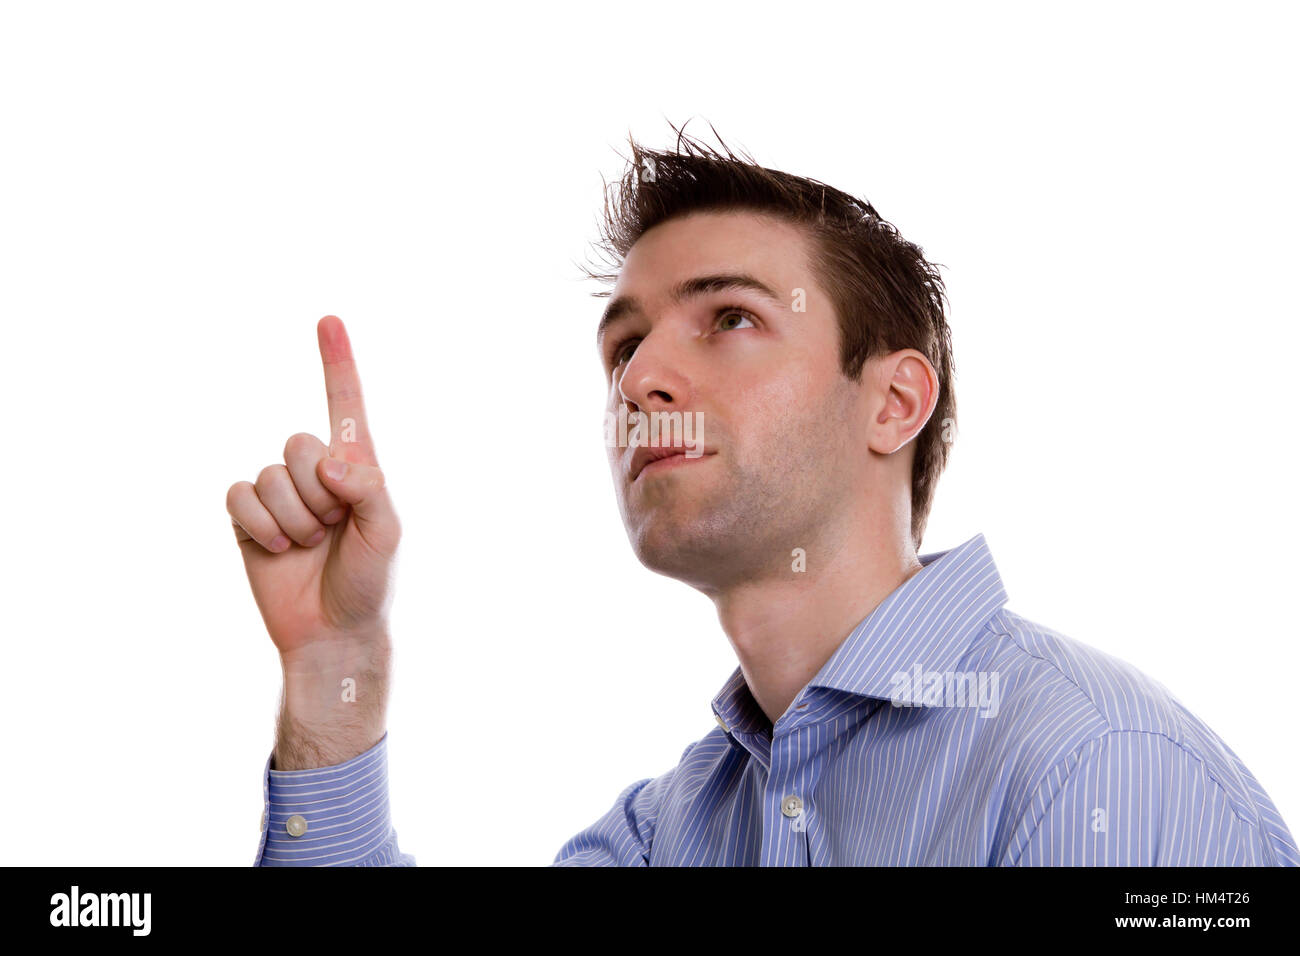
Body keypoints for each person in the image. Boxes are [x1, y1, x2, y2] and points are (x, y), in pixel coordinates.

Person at [228, 128, 1298, 866]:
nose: (641, 375)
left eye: (729, 317)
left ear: (892, 402)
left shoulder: (1094, 768)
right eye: (624, 342)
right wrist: (334, 669)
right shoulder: (673, 829)